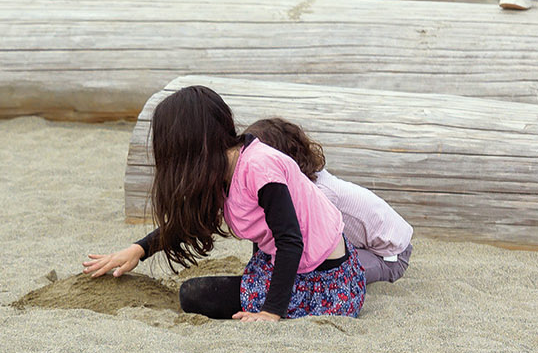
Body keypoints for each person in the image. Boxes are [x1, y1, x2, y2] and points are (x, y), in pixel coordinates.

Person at [83, 85, 365, 321]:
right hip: (294, 263)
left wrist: (270, 312)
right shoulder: (224, 167)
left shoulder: (258, 167)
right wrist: (139, 250)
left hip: (325, 281)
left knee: (194, 295)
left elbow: (291, 240)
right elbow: (194, 221)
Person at [242, 117, 412, 284]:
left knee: (316, 278)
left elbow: (298, 245)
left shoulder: (319, 194)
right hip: (363, 244)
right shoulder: (307, 180)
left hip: (389, 256)